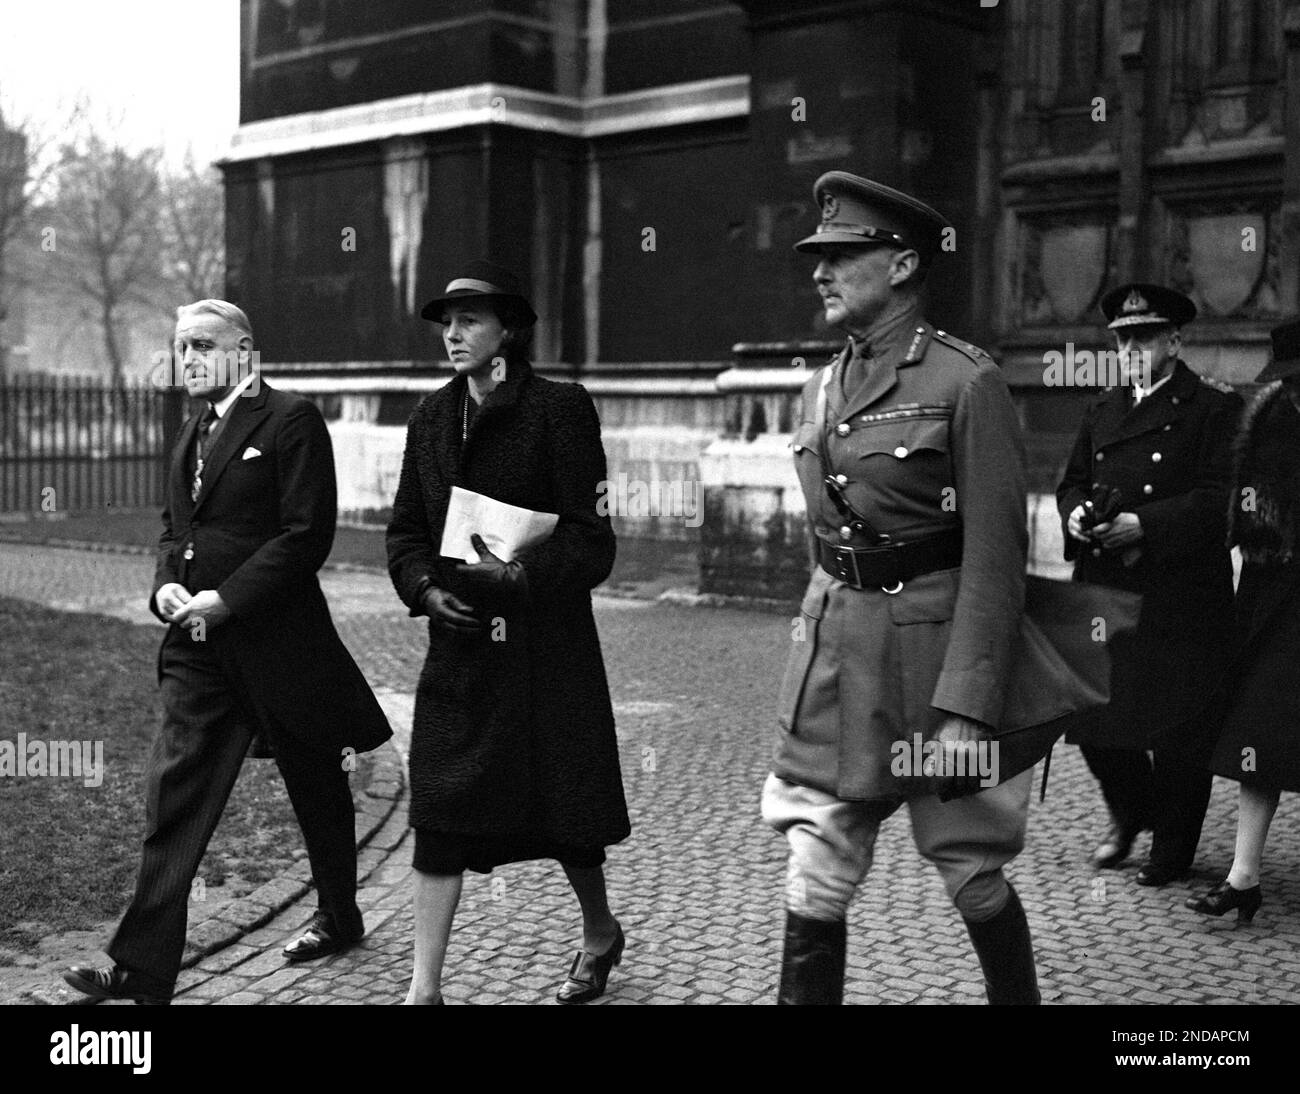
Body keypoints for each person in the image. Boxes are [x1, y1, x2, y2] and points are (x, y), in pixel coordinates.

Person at [762, 172, 1041, 1005]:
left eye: (843, 255)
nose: (820, 271)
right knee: (817, 856)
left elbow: (997, 561)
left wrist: (968, 706)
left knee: (969, 863)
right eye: (819, 256)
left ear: (905, 264)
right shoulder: (819, 386)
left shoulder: (967, 384)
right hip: (835, 654)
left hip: (931, 659)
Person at [63, 300, 391, 1005]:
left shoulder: (291, 419)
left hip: (280, 650)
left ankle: (339, 913)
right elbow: (170, 531)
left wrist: (229, 597)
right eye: (181, 346)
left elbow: (306, 535)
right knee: (174, 793)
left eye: (202, 346)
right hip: (199, 653)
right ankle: (140, 969)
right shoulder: (191, 432)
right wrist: (164, 592)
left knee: (317, 787)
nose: (187, 359)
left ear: (244, 351)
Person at [387, 260, 631, 1005]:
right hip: (458, 650)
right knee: (439, 808)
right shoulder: (430, 417)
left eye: (470, 321)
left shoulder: (560, 409)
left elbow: (593, 539)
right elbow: (404, 534)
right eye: (447, 323)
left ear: (508, 333)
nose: (453, 334)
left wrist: (526, 577)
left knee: (566, 816)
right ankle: (423, 991)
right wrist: (426, 590)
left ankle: (599, 932)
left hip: (543, 653)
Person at [1056, 284, 1240, 886]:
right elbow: (1072, 483)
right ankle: (1135, 809)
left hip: (1181, 590)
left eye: (1142, 337)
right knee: (1091, 713)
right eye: (1122, 338)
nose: (1130, 348)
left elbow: (1223, 503)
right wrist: (1078, 516)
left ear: (1174, 342)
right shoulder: (1103, 408)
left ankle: (1173, 847)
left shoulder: (1213, 408)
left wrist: (1145, 525)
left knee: (1180, 722)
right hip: (1106, 585)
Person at [1187, 317, 1300, 924]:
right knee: (1260, 730)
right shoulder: (1269, 421)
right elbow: (1245, 511)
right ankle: (1244, 876)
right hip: (1273, 597)